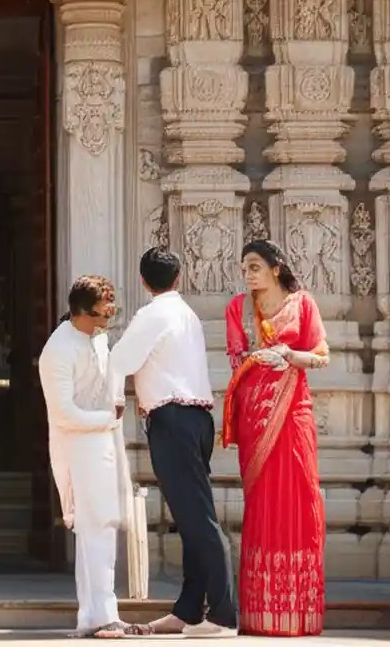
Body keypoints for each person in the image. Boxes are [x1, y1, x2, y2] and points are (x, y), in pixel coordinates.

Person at [108, 248, 238, 638]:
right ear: (178, 278)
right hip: (196, 419)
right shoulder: (186, 314)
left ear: (143, 280)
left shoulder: (153, 314)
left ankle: (224, 612)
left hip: (173, 419)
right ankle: (189, 610)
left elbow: (122, 360)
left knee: (198, 519)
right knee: (191, 517)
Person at [222, 239, 330, 637]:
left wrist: (288, 355)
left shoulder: (302, 304)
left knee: (299, 496)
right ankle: (262, 614)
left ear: (275, 268)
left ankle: (298, 613)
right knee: (263, 501)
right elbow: (236, 359)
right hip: (254, 414)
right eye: (244, 268)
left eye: (254, 267)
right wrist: (256, 357)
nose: (248, 274)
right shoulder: (237, 308)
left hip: (294, 411)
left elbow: (321, 355)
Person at [38, 275, 137, 639]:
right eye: (100, 314)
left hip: (103, 441)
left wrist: (115, 408)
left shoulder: (99, 338)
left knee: (103, 527)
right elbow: (63, 413)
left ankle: (94, 616)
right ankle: (102, 614)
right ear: (80, 312)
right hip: (78, 445)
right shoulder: (58, 350)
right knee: (95, 529)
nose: (106, 319)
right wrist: (107, 420)